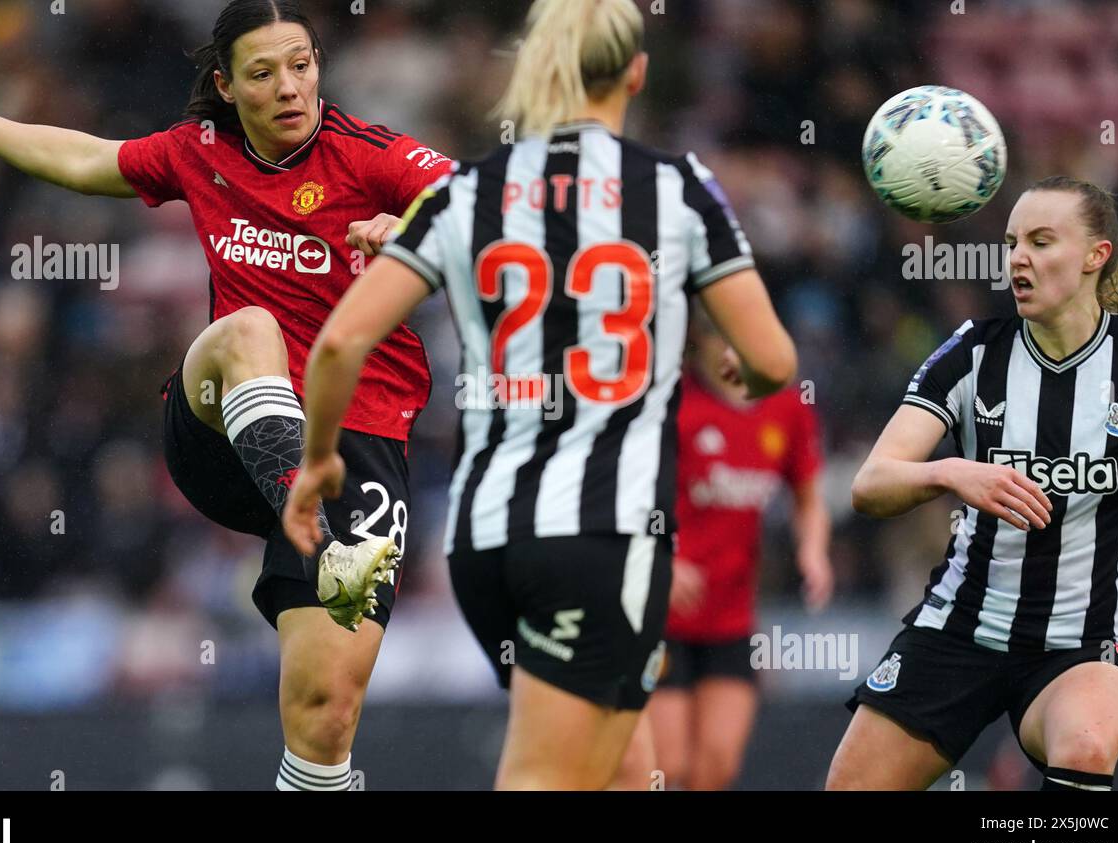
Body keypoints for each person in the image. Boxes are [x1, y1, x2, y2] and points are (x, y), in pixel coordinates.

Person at [0, 0, 454, 791]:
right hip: (224, 431)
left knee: (326, 709)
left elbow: (463, 198)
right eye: (264, 73)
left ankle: (321, 548)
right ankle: (313, 524)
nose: (291, 87)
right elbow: (88, 160)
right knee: (247, 329)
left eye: (302, 65)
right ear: (226, 86)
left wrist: (406, 233)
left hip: (356, 436)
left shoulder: (368, 156)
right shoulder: (199, 152)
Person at [283, 0, 797, 790]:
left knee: (630, 773)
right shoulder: (676, 190)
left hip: (484, 541)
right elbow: (770, 359)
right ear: (636, 70)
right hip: (600, 537)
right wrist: (740, 374)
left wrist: (319, 460)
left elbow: (342, 342)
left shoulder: (466, 193)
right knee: (546, 778)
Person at [828, 176, 1118, 791]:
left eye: (1041, 240)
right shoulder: (973, 353)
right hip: (960, 627)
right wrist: (952, 472)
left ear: (1096, 255)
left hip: (1085, 645)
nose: (1018, 259)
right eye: (1012, 243)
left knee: (1086, 746)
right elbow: (870, 485)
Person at [615, 315, 832, 791]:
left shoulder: (788, 410)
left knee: (716, 768)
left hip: (731, 618)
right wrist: (658, 560)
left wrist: (813, 552)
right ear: (701, 340)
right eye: (725, 336)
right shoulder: (670, 407)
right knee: (665, 766)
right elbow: (621, 495)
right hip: (660, 617)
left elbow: (808, 495)